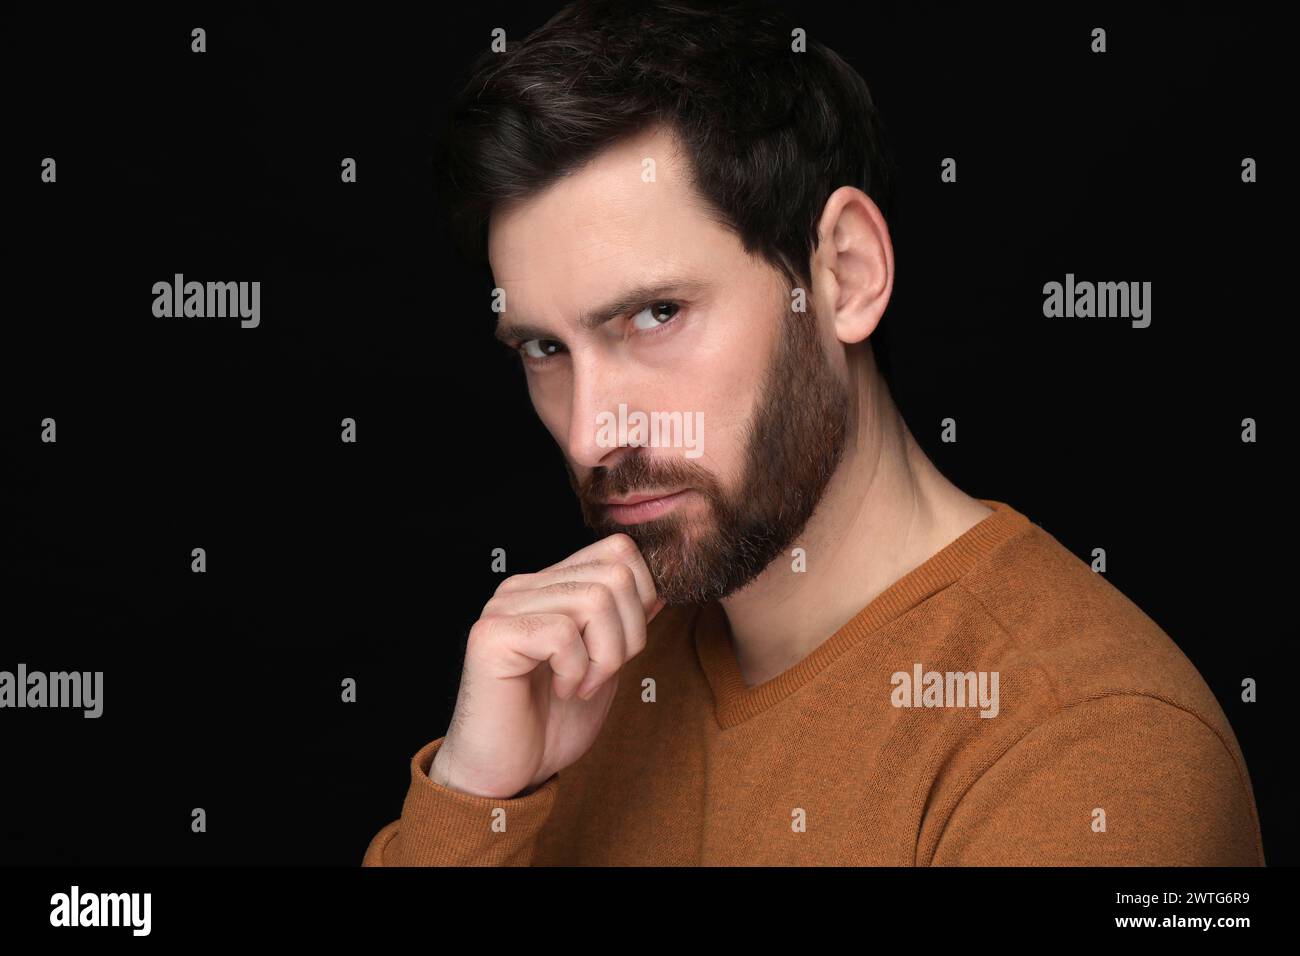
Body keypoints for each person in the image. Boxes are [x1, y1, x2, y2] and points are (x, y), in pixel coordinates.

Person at [363, 0, 1263, 865]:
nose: (593, 433)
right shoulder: (574, 694)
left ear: (846, 274)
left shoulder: (1091, 745)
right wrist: (476, 799)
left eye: (656, 314)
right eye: (544, 347)